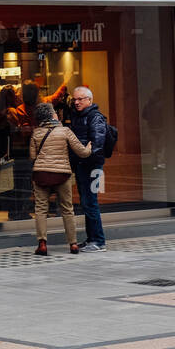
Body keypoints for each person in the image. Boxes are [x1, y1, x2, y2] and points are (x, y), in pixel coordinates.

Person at [30, 102, 91, 256]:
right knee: (67, 209)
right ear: (52, 115)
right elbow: (82, 152)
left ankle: (42, 243)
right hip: (62, 174)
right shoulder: (65, 131)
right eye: (54, 112)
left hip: (41, 174)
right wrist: (90, 147)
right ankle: (73, 244)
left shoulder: (36, 133)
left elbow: (32, 156)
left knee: (41, 210)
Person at [70, 86, 110, 252]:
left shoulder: (95, 117)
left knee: (91, 202)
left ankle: (99, 241)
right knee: (86, 203)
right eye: (74, 99)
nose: (77, 102)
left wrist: (84, 156)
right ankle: (91, 238)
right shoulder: (79, 116)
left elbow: (97, 143)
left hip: (92, 166)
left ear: (89, 100)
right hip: (82, 166)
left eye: (80, 99)